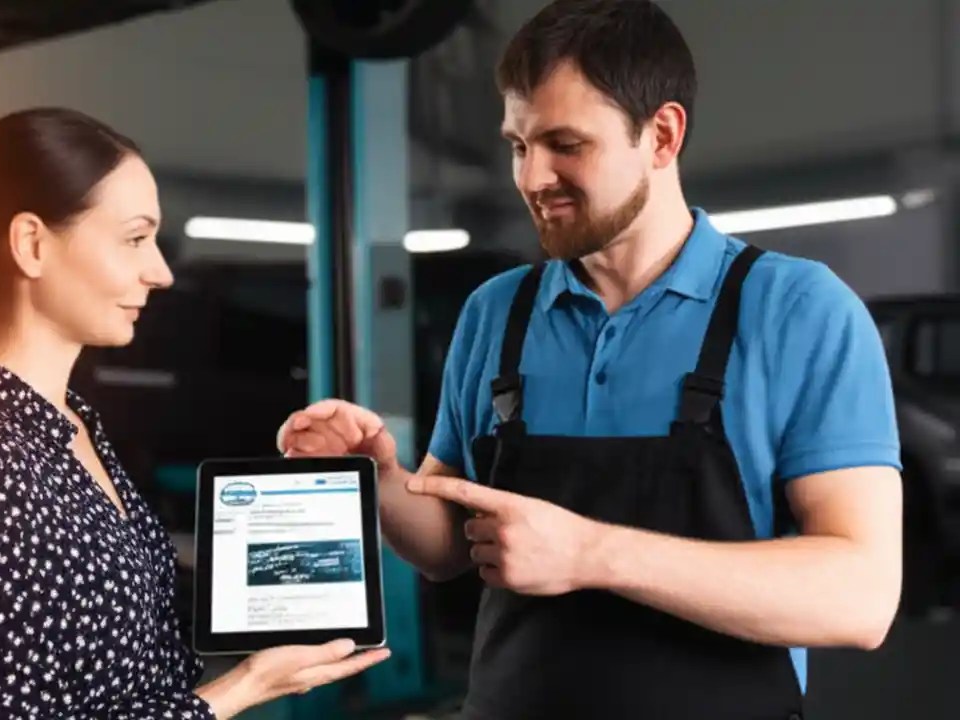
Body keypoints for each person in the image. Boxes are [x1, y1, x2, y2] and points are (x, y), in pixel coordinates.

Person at [277, 1, 902, 718]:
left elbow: (860, 596)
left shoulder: (797, 310)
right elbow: (450, 546)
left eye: (566, 144)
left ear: (662, 135)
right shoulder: (496, 311)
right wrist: (380, 477)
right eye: (518, 145)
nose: (533, 177)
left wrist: (588, 554)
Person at [0, 107, 389, 720]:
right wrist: (244, 686)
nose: (160, 271)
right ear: (31, 244)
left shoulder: (69, 423)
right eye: (135, 238)